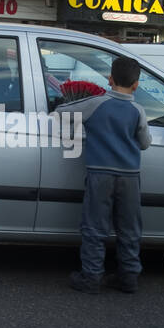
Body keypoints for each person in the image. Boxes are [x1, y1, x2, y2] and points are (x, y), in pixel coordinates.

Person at [60, 56, 151, 295]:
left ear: (110, 79)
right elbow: (144, 143)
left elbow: (61, 113)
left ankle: (91, 277)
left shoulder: (95, 104)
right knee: (129, 228)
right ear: (136, 85)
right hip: (130, 177)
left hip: (100, 174)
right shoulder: (138, 110)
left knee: (94, 227)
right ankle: (129, 277)